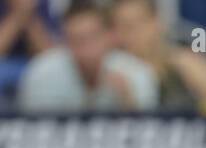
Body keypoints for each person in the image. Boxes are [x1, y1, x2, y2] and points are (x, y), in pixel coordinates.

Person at [17, 0, 158, 111]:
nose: (86, 49)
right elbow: (34, 136)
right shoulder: (42, 74)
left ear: (109, 36)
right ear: (64, 42)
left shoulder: (135, 73)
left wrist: (128, 101)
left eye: (93, 37)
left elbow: (148, 137)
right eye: (76, 40)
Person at [108, 0, 206, 115]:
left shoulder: (187, 63)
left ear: (156, 22)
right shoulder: (110, 74)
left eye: (133, 25)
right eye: (120, 28)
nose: (128, 36)